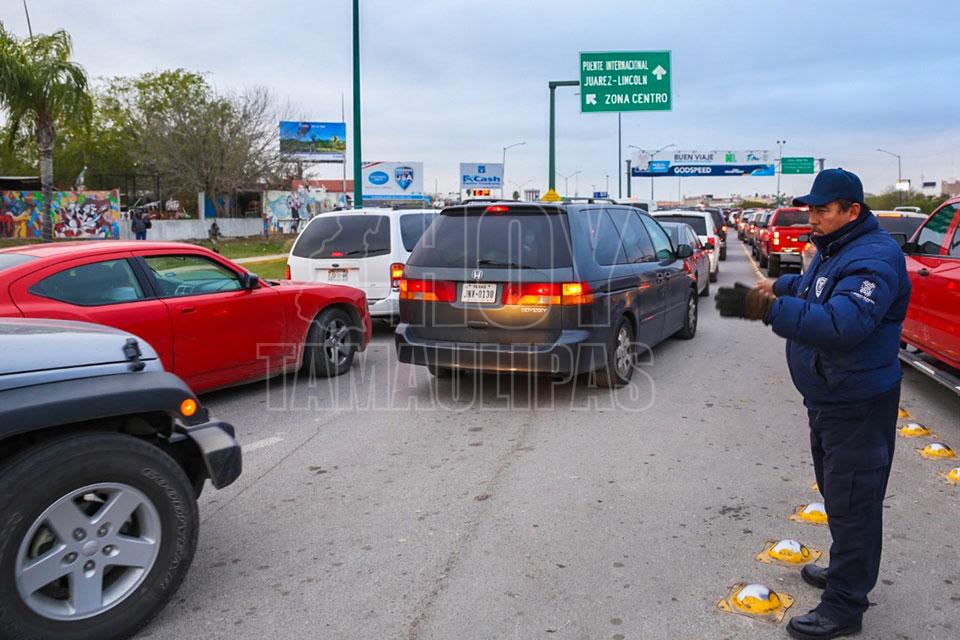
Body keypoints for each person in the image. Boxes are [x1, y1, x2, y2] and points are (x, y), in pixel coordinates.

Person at [715, 168, 911, 640]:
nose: (813, 218)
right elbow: (817, 289)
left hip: (857, 402)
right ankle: (845, 568)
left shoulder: (873, 259)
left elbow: (842, 324)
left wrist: (768, 309)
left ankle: (844, 607)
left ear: (852, 211)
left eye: (823, 210)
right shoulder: (837, 249)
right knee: (838, 494)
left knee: (853, 502)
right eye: (811, 209)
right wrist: (779, 288)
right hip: (831, 396)